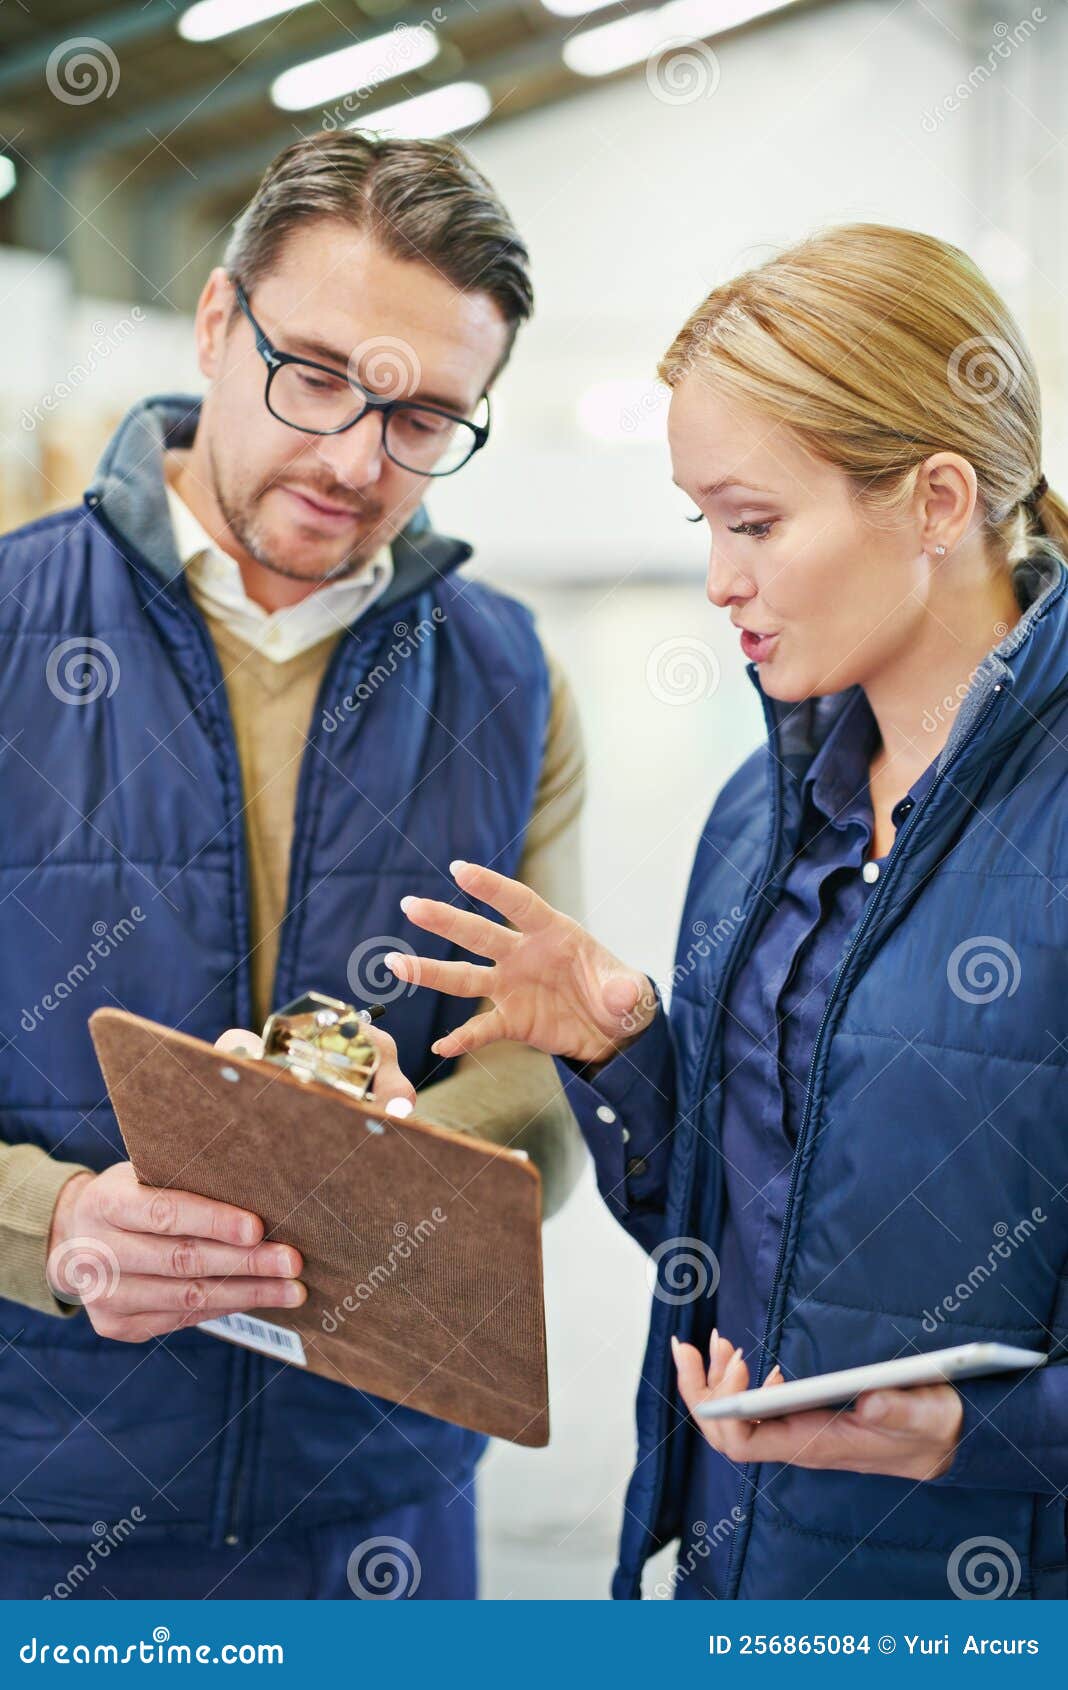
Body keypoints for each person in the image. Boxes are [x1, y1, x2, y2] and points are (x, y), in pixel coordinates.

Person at [386, 223, 1068, 1599]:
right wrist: (626, 1048)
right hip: (736, 1576)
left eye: (752, 521)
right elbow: (745, 1238)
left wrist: (982, 1434)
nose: (717, 576)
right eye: (703, 519)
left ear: (939, 500)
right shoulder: (768, 819)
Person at [0, 130, 586, 1599]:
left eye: (425, 415)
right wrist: (52, 1224)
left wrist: (428, 1150)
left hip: (378, 1515)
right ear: (216, 321)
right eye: (313, 372)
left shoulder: (511, 681)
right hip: (42, 1511)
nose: (351, 459)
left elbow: (540, 1068)